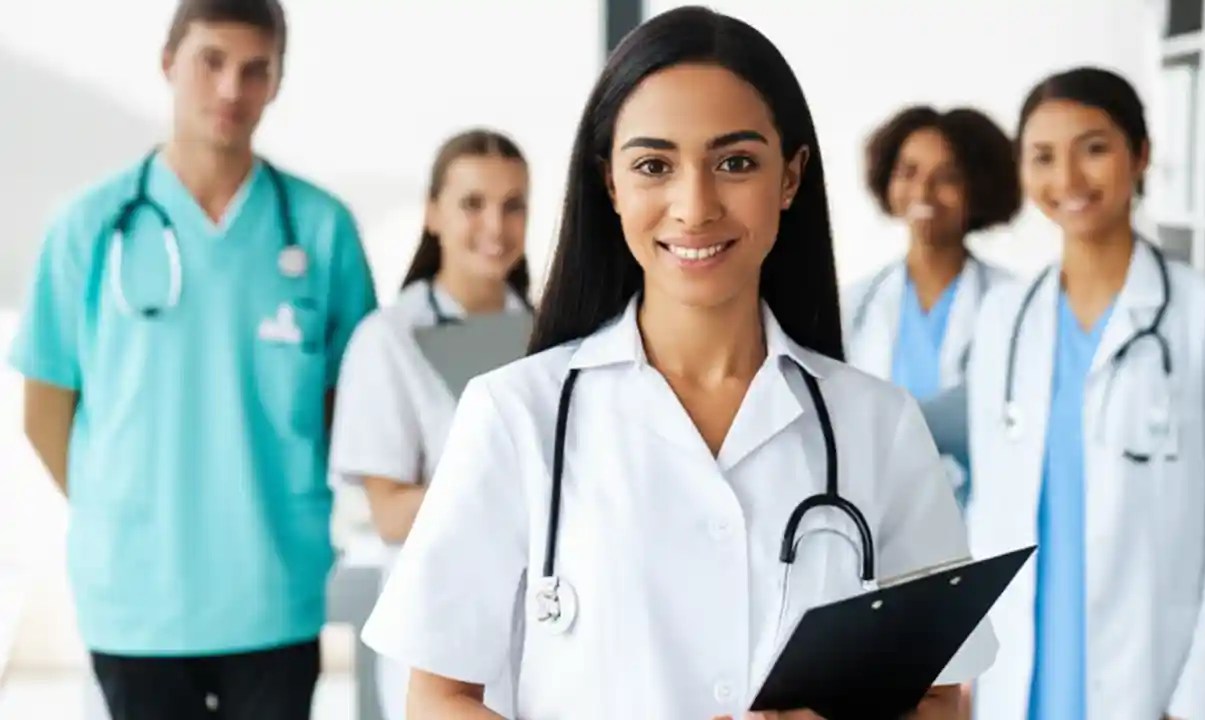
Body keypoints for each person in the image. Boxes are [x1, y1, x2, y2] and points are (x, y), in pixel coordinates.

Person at [360, 6, 996, 719]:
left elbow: (943, 698)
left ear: (791, 177)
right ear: (610, 183)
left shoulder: (878, 426)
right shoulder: (516, 414)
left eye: (735, 163)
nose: (694, 207)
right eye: (654, 166)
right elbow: (438, 695)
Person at [9, 1, 376, 718]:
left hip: (274, 592)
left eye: (254, 69)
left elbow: (352, 408)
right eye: (211, 61)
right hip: (138, 598)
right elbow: (45, 408)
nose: (231, 90)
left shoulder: (322, 230)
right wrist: (128, 509)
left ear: (276, 82)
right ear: (168, 62)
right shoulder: (88, 227)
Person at [965, 66, 1205, 719]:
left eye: (1094, 148)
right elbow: (990, 515)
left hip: (1156, 687)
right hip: (1022, 678)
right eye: (1043, 157)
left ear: (1141, 155)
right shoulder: (1003, 320)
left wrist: (1198, 705)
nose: (1068, 180)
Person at [329, 128, 533, 720]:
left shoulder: (553, 339)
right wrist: (516, 487)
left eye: (513, 205)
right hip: (441, 635)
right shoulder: (387, 341)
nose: (495, 226)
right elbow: (391, 514)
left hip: (544, 632)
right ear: (433, 212)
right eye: (473, 203)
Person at [842, 106, 1021, 510]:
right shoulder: (855, 306)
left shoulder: (1015, 306)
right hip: (877, 518)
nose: (923, 193)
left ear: (978, 188)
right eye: (908, 173)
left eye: (947, 178)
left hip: (977, 519)